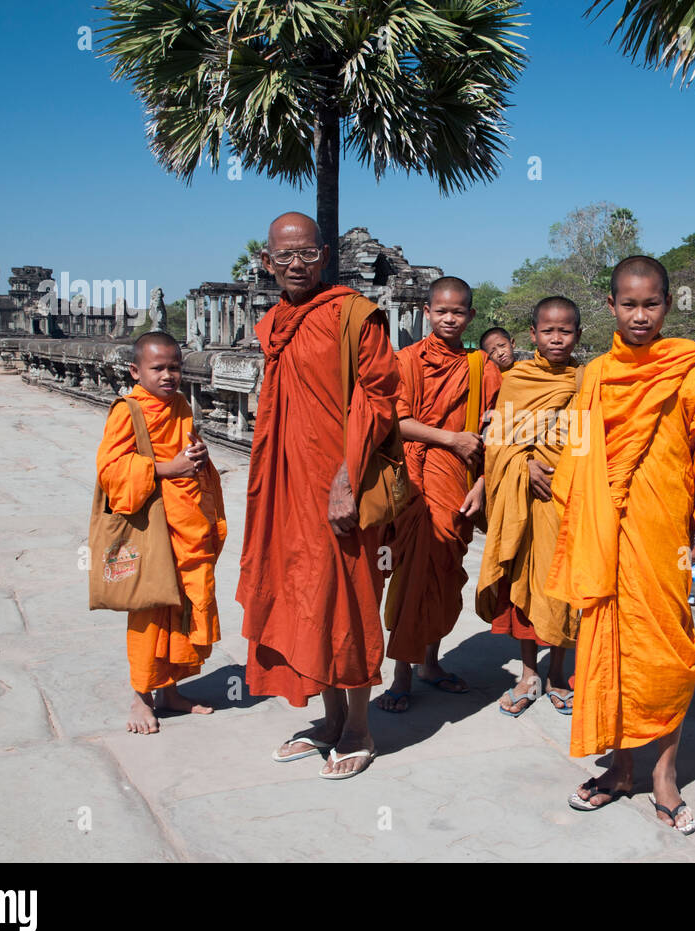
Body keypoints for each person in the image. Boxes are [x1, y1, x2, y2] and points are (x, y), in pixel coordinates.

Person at [548, 256, 695, 835]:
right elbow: (577, 458)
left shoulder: (690, 371)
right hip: (606, 538)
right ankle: (620, 767)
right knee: (607, 652)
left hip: (664, 538)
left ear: (668, 305)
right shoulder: (596, 374)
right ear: (610, 306)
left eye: (651, 303)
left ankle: (665, 774)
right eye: (628, 304)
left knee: (671, 654)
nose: (640, 314)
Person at [237, 212, 399, 779]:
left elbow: (378, 399)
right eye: (284, 257)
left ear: (324, 254)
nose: (296, 265)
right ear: (267, 262)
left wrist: (346, 478)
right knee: (304, 597)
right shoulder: (274, 322)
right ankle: (329, 720)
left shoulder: (355, 315)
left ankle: (359, 726)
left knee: (348, 600)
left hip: (341, 487)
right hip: (287, 489)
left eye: (306, 253)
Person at [378, 277, 502, 712]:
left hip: (460, 477)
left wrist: (485, 483)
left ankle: (430, 662)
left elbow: (496, 429)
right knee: (413, 573)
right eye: (442, 311)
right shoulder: (406, 360)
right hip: (416, 476)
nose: (450, 318)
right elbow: (397, 421)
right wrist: (450, 439)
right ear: (427, 312)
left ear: (470, 316)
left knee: (445, 573)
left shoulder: (481, 366)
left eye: (458, 312)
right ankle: (400, 673)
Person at [96, 331, 226, 735]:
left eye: (175, 367)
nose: (168, 376)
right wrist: (166, 470)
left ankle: (169, 690)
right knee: (151, 607)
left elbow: (185, 451)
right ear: (136, 371)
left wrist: (198, 458)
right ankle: (141, 695)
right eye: (158, 368)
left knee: (184, 604)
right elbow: (111, 471)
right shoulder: (128, 410)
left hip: (184, 522)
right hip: (152, 528)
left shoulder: (182, 404)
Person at [476, 297, 582, 716]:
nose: (557, 338)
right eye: (548, 331)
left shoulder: (585, 381)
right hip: (526, 500)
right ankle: (528, 673)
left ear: (578, 334)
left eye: (566, 331)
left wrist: (561, 469)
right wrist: (523, 465)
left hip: (566, 499)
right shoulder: (517, 380)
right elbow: (497, 444)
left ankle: (557, 672)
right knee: (523, 585)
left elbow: (588, 441)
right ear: (533, 334)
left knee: (562, 588)